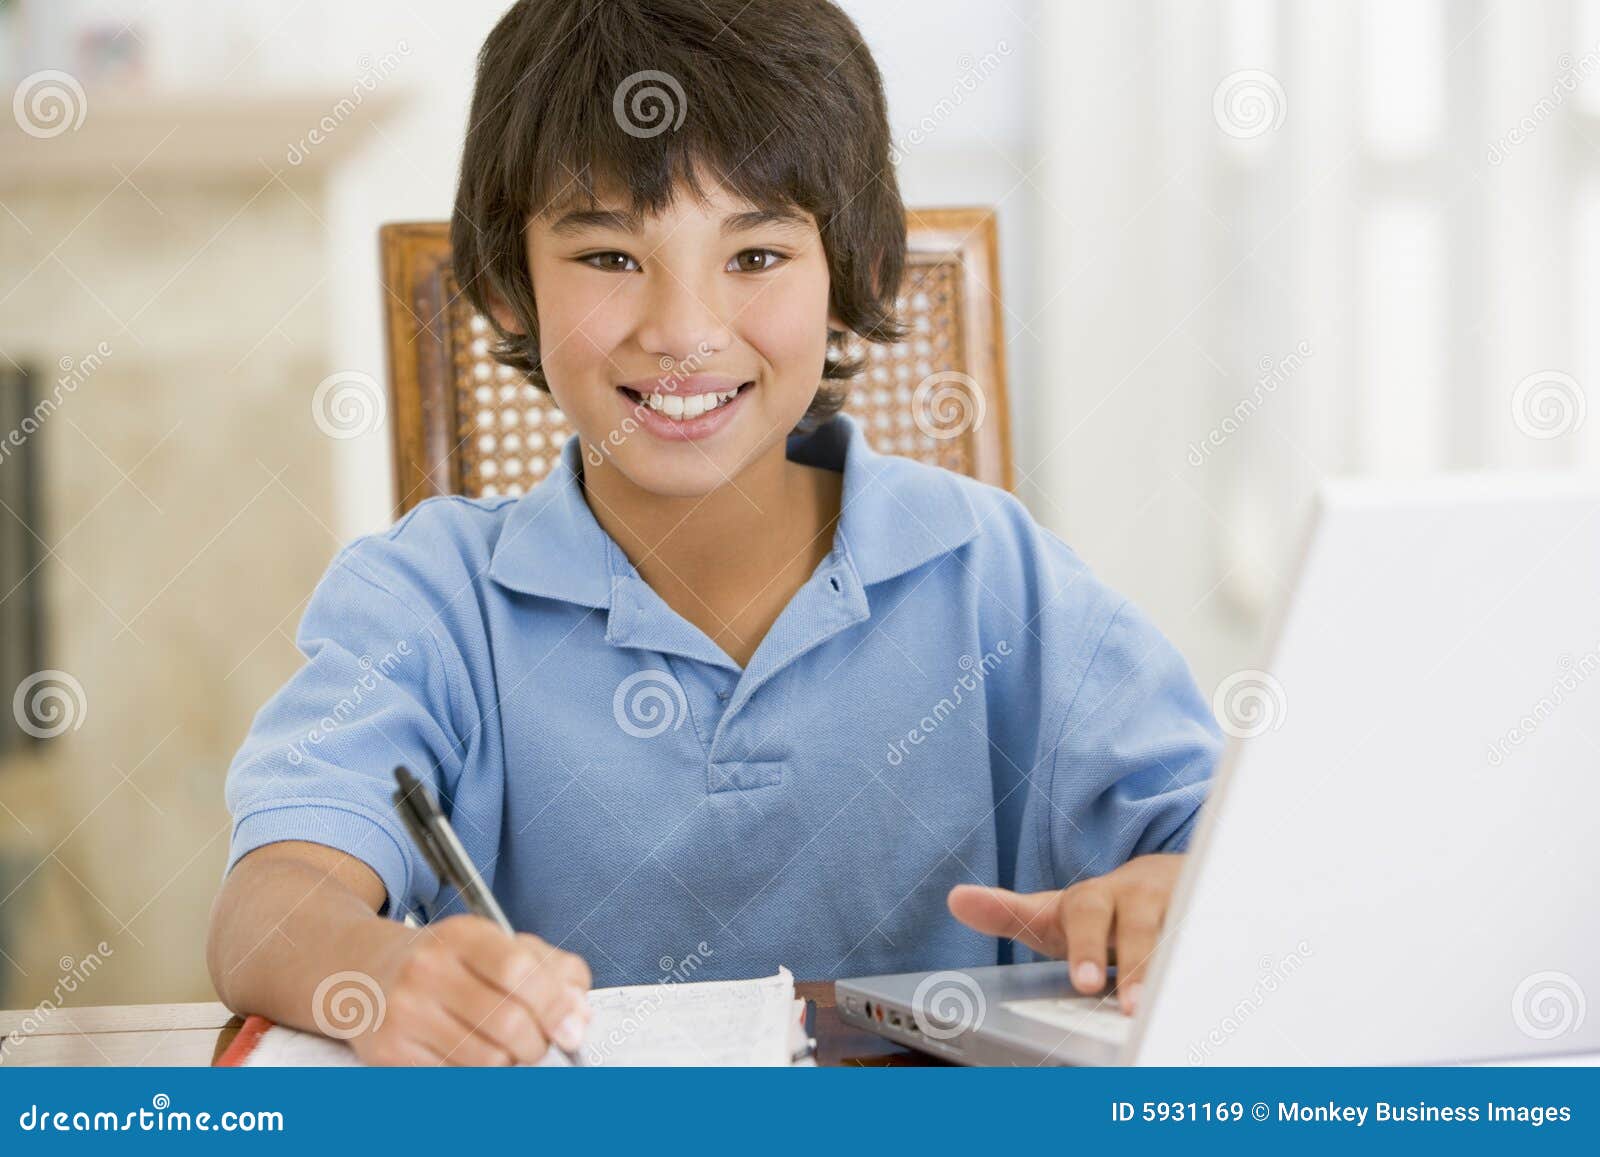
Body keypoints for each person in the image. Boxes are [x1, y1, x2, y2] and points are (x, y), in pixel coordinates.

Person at [207, 0, 1220, 1066]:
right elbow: (268, 902)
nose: (684, 332)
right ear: (510, 288)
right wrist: (378, 971)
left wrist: (1171, 895)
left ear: (856, 275)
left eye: (756, 255)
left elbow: (1233, 851)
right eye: (607, 256)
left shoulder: (996, 576)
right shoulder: (429, 598)